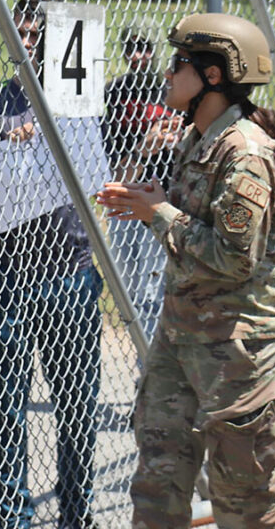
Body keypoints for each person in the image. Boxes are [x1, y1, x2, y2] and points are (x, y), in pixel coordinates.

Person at [97, 13, 275, 529]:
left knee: (245, 501)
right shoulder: (197, 138)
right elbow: (194, 231)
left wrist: (160, 213)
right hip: (183, 337)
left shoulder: (247, 154)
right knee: (156, 487)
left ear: (214, 76)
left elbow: (233, 257)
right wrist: (154, 205)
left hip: (237, 351)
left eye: (178, 63)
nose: (166, 74)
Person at [0, 0, 103, 529]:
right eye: (18, 33)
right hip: (7, 271)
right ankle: (14, 514)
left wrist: (50, 131)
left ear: (53, 38)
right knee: (3, 405)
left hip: (69, 267)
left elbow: (95, 171)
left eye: (37, 34)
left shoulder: (80, 96)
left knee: (77, 405)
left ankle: (76, 511)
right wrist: (14, 147)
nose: (27, 42)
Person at [102, 29, 181, 342]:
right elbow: (114, 170)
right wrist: (144, 148)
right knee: (131, 294)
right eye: (131, 48)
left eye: (144, 48)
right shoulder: (116, 94)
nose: (137, 56)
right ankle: (148, 366)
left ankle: (150, 373)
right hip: (125, 200)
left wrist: (175, 140)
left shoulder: (171, 93)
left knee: (153, 295)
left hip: (162, 201)